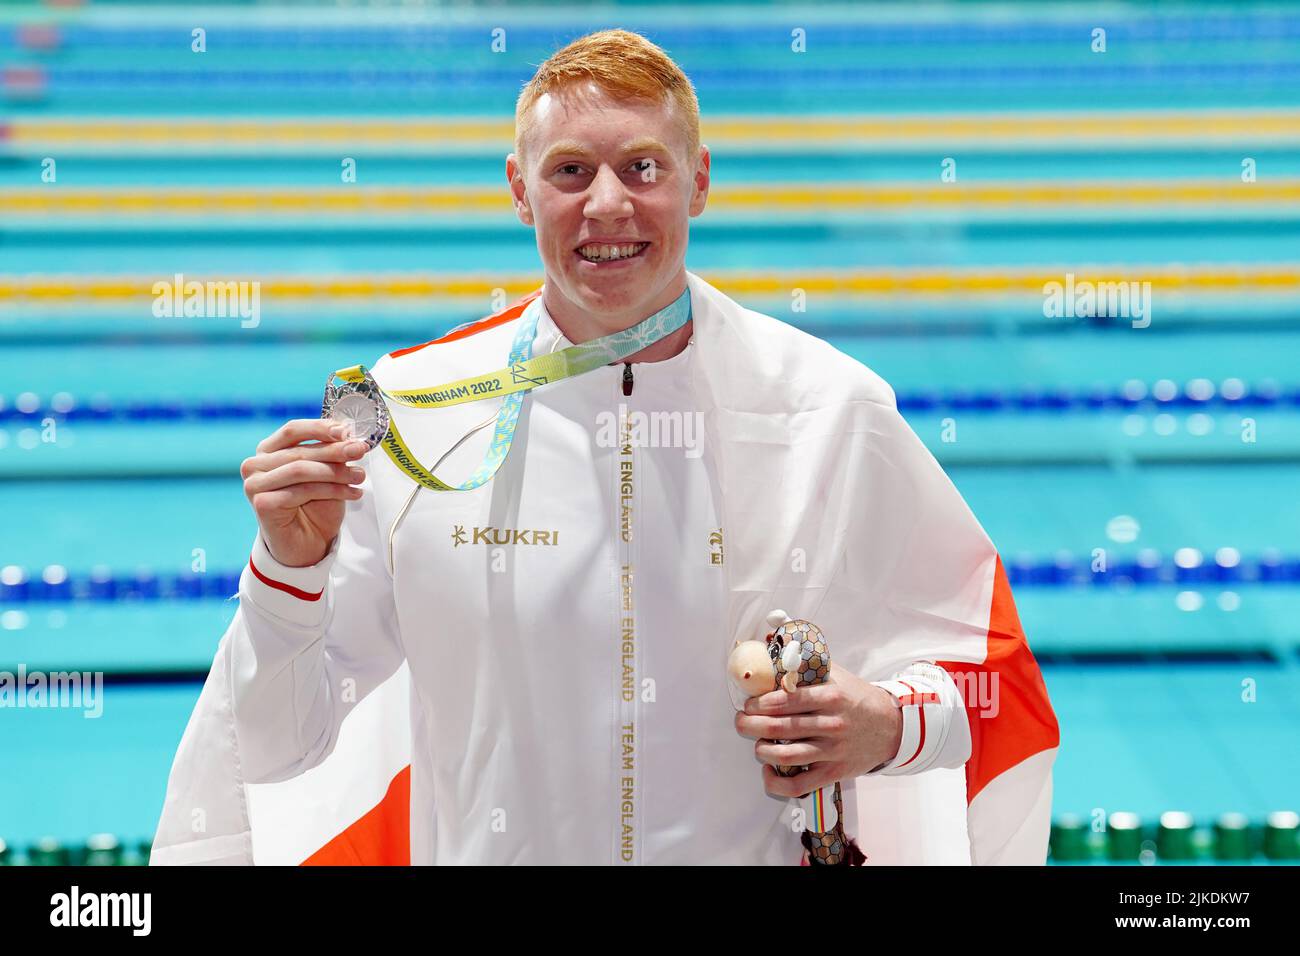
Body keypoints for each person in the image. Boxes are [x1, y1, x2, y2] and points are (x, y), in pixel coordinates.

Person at [151, 29, 1059, 866]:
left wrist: (894, 725)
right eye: (572, 171)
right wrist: (289, 570)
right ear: (519, 189)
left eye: (644, 166)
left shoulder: (830, 408)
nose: (609, 205)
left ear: (699, 180)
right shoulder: (401, 412)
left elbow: (997, 684)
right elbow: (275, 743)